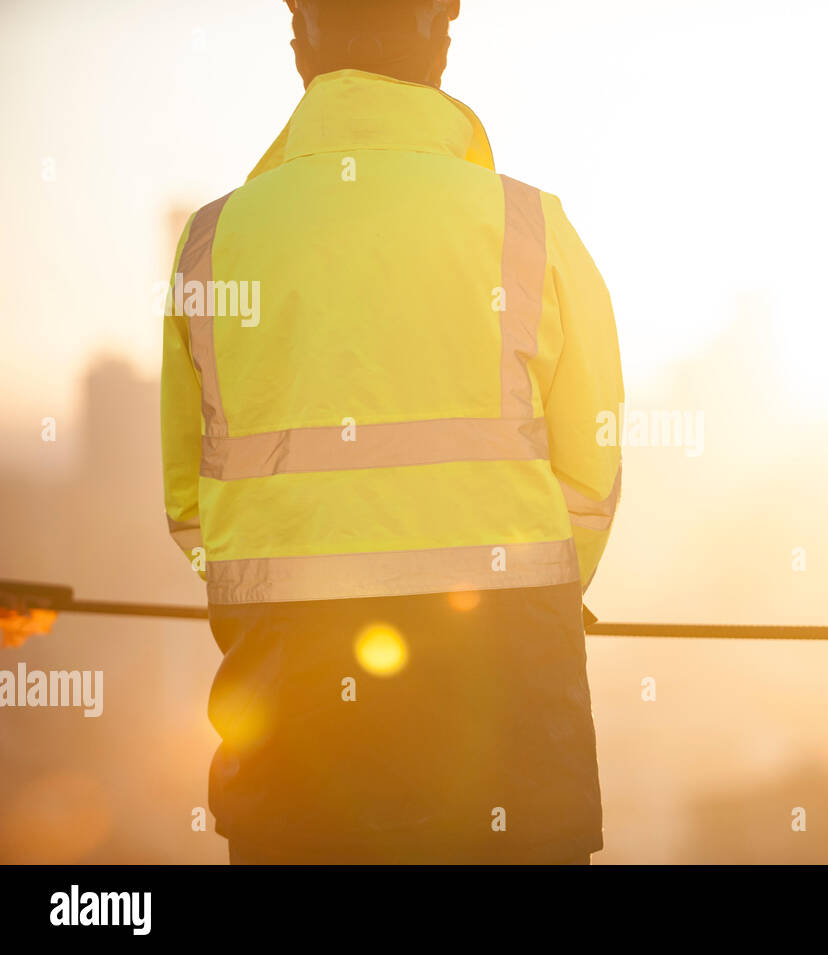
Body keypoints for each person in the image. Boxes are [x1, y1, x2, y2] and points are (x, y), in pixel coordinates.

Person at [160, 0, 623, 864]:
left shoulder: (210, 243)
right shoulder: (532, 229)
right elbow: (589, 481)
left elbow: (192, 499)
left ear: (299, 39)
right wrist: (534, 587)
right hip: (507, 715)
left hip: (291, 732)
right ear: (442, 40)